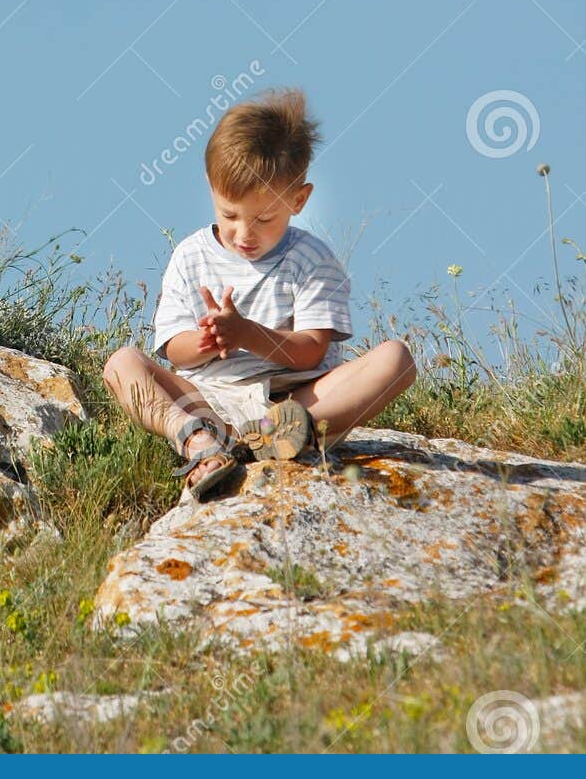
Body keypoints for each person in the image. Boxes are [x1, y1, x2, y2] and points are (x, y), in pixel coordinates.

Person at [103, 87, 416, 501]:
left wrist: (247, 334)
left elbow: (310, 351)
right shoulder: (191, 256)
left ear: (299, 199)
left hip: (290, 402)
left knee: (398, 359)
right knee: (121, 364)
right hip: (209, 399)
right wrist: (207, 341)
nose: (244, 233)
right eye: (229, 214)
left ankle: (285, 435)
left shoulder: (312, 260)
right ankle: (199, 442)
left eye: (264, 218)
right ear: (211, 187)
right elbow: (173, 351)